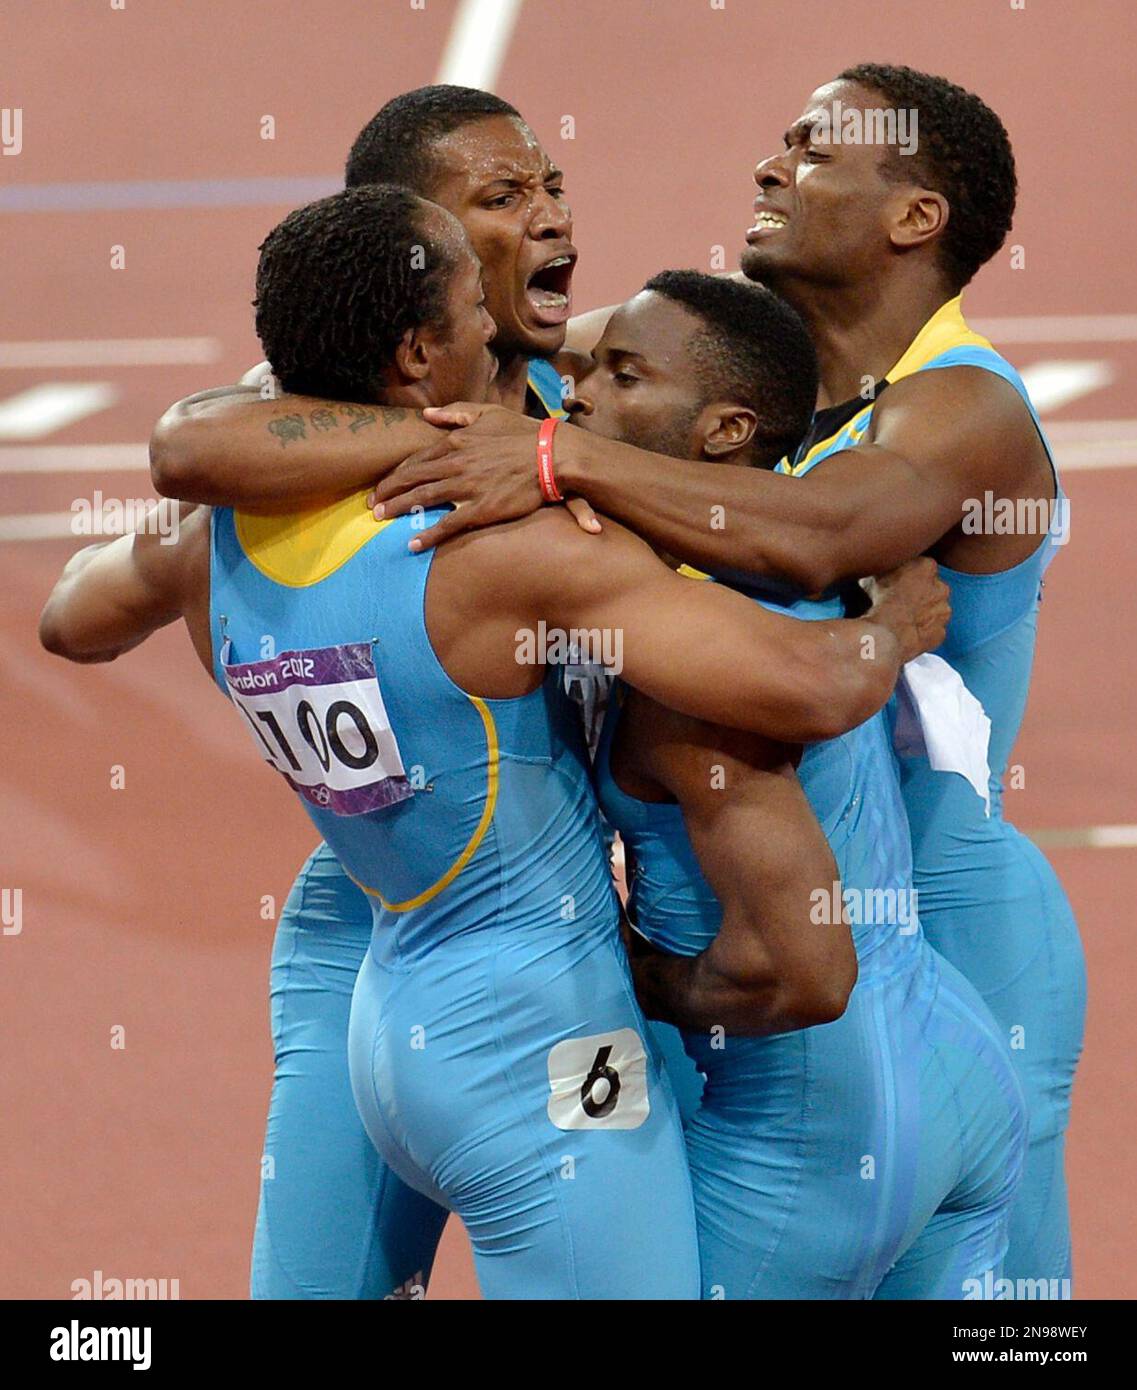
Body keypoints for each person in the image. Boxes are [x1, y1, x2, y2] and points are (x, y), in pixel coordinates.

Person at [40, 185, 948, 1297]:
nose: (505, 336)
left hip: (388, 1021)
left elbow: (70, 620)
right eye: (477, 307)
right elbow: (805, 685)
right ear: (419, 355)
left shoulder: (207, 535)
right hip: (545, 1048)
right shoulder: (502, 548)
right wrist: (892, 626)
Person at [367, 65, 1084, 1290]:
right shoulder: (733, 360)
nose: (769, 165)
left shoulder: (965, 406)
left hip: (954, 934)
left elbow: (813, 535)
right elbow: (486, 344)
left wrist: (554, 455)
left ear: (915, 217)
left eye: (813, 150)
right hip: (797, 936)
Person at [574, 269, 1025, 1297]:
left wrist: (638, 979)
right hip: (953, 1067)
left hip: (807, 1144)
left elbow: (805, 976)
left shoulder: (701, 664)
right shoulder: (802, 579)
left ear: (726, 430)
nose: (577, 398)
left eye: (621, 377)